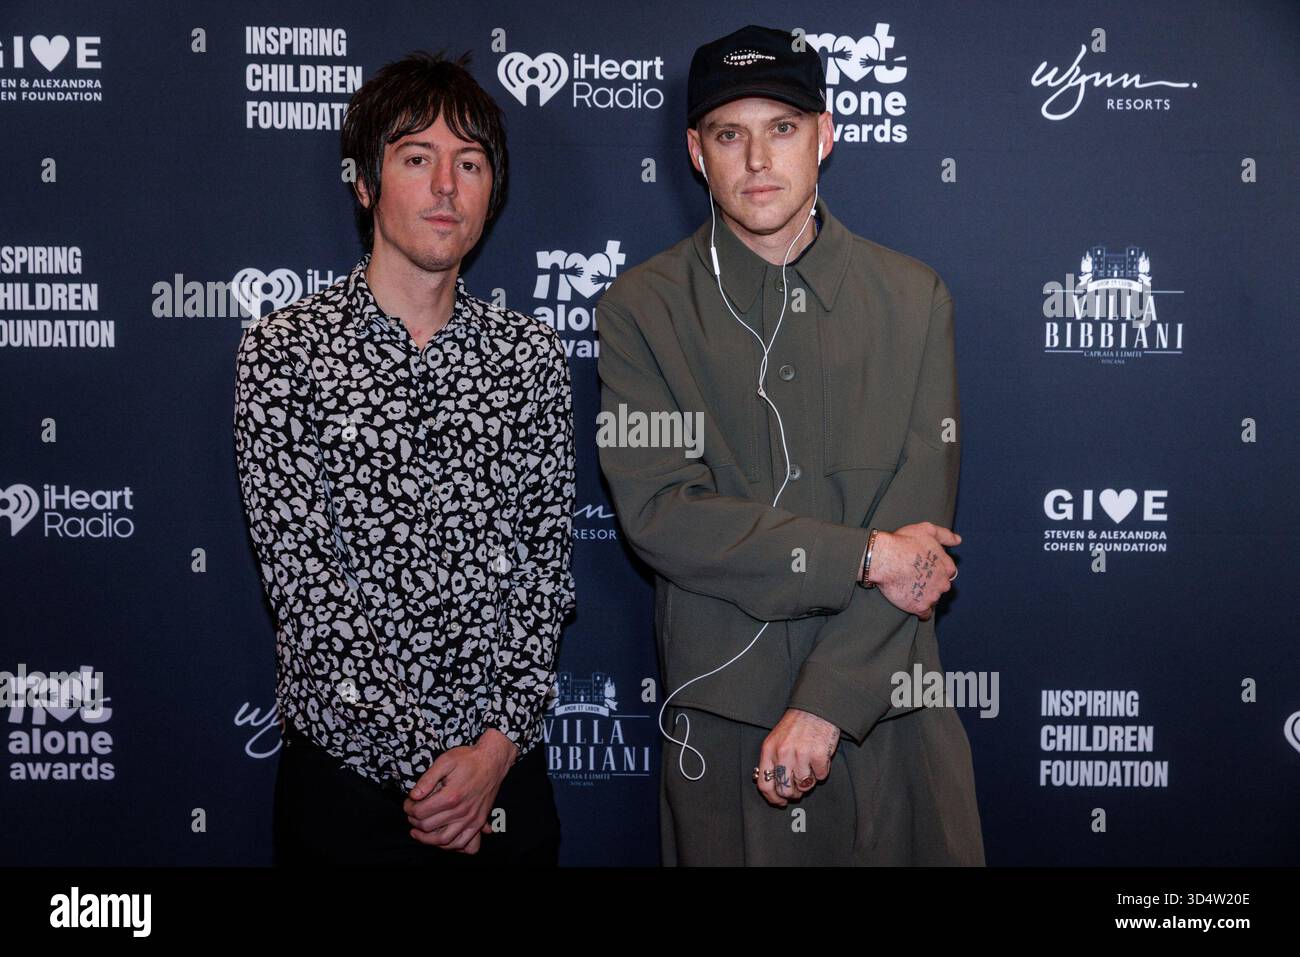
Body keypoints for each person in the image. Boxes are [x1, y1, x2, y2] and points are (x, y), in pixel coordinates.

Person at [596, 25, 985, 865]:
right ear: (697, 154)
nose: (757, 159)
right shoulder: (641, 308)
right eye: (730, 134)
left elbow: (920, 540)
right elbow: (663, 514)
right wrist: (863, 553)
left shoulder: (914, 299)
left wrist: (826, 701)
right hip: (728, 731)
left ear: (827, 134)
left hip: (894, 713)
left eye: (782, 127)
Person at [233, 50, 576, 866]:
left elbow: (543, 572)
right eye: (417, 159)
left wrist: (490, 756)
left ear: (494, 192)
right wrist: (428, 773)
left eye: (470, 163)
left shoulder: (529, 358)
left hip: (503, 782)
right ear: (364, 183)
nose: (446, 187)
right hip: (344, 791)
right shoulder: (285, 354)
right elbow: (308, 588)